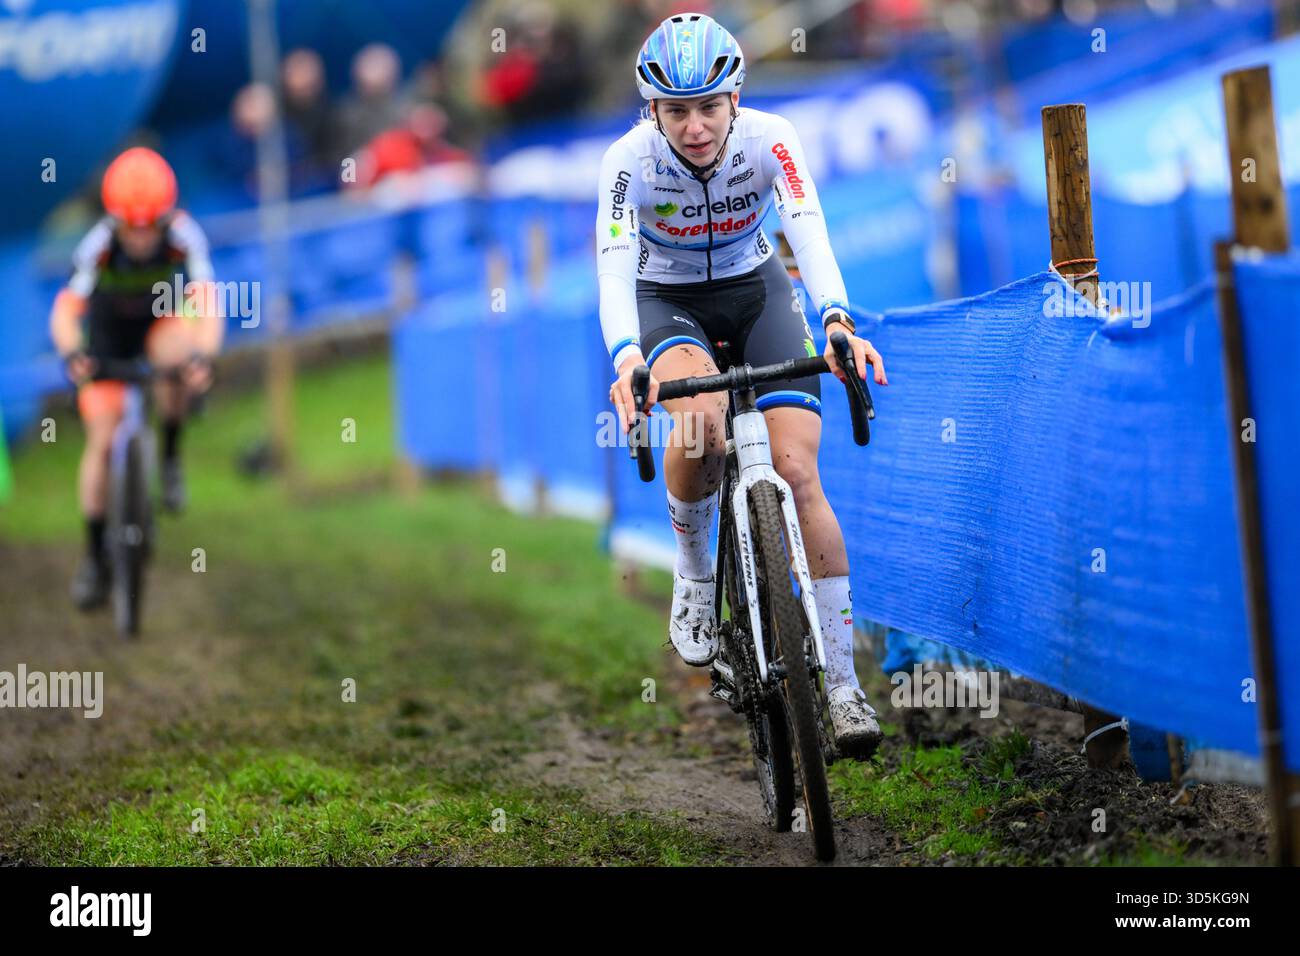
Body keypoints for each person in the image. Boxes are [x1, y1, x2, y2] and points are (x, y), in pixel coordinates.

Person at [596, 13, 889, 757]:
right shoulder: (627, 163)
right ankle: (694, 576)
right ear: (651, 111)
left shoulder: (773, 139)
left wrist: (836, 320)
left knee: (797, 471)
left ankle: (844, 686)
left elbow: (808, 229)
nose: (695, 127)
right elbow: (614, 264)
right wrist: (628, 355)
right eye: (676, 111)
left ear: (735, 99)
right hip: (667, 304)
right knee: (700, 426)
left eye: (709, 108)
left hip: (758, 289)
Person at [49, 147, 222, 610]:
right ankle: (93, 557)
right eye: (132, 226)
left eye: (151, 226)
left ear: (166, 217)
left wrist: (204, 355)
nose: (142, 237)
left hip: (159, 324)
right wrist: (72, 354)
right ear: (114, 219)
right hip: (107, 339)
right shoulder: (98, 244)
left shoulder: (185, 234)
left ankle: (168, 454)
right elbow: (66, 311)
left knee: (176, 354)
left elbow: (208, 300)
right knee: (102, 443)